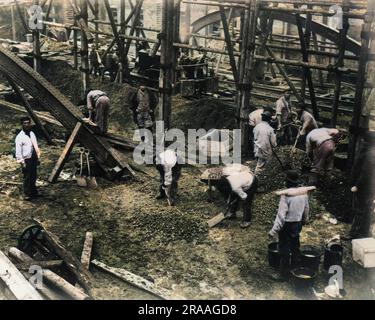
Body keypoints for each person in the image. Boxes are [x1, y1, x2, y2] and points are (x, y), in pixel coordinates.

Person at [268, 170, 310, 281]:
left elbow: (281, 216)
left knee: (284, 248)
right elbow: (306, 209)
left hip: (287, 225)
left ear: (287, 182)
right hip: (297, 223)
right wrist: (305, 220)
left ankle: (283, 274)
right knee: (295, 245)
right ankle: (296, 268)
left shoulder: (285, 196)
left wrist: (273, 230)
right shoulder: (303, 193)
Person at [15, 117, 41, 201]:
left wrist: (38, 156)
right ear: (22, 125)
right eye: (24, 123)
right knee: (27, 176)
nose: (26, 124)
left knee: (34, 175)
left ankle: (34, 192)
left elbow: (35, 145)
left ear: (30, 124)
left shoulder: (32, 133)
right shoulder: (19, 137)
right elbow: (18, 152)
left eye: (27, 123)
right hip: (26, 159)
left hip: (33, 157)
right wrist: (22, 162)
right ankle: (27, 193)